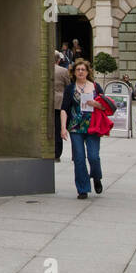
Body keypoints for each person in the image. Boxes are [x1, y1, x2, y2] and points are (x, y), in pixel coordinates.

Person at [59, 59, 105, 199]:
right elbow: (64, 109)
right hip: (75, 127)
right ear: (74, 72)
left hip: (93, 127)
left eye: (83, 69)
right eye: (78, 70)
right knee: (79, 158)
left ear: (87, 72)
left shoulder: (96, 87)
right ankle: (83, 188)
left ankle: (96, 176)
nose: (80, 72)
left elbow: (105, 107)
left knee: (93, 157)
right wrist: (63, 128)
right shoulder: (70, 89)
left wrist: (95, 104)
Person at [52, 54, 72, 162]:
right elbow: (68, 85)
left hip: (48, 102)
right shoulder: (63, 71)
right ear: (58, 60)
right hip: (59, 102)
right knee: (58, 128)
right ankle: (57, 154)